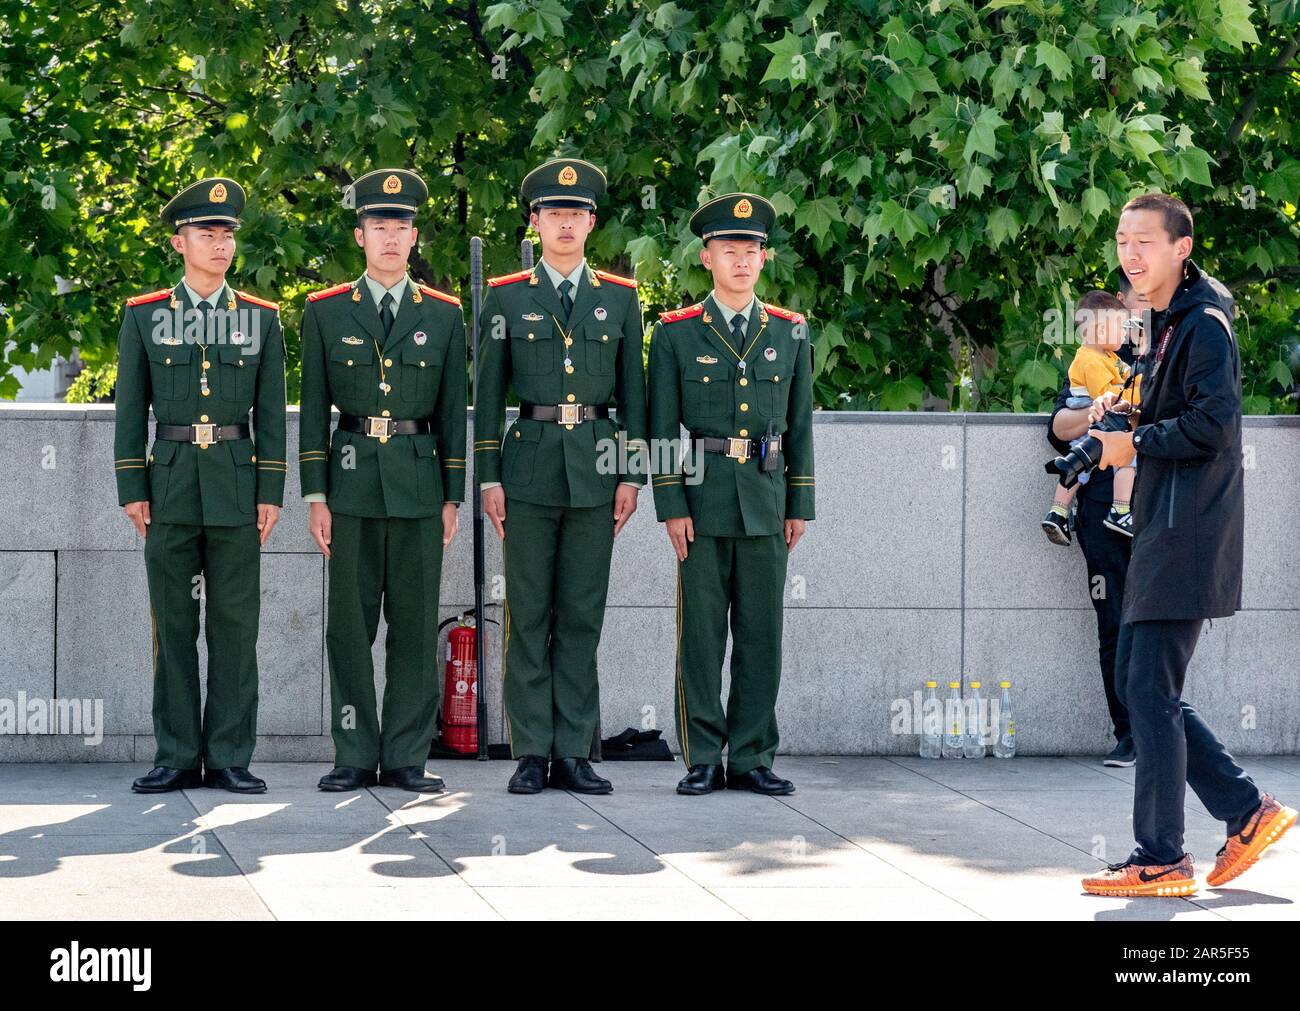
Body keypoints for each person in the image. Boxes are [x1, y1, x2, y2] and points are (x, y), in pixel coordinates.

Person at [1081, 192, 1296, 896]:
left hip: (1190, 528)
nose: (1130, 254)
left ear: (1181, 247)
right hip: (1166, 523)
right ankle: (1244, 813)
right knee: (1146, 685)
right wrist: (1129, 407)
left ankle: (1164, 854)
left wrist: (1132, 441)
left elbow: (1213, 425)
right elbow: (1175, 406)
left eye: (1144, 240)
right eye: (1121, 239)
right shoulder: (1163, 323)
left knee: (1148, 685)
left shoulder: (1204, 324)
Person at [473, 158, 648, 795]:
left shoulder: (621, 299)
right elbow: (487, 396)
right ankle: (531, 751)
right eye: (555, 213)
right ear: (536, 222)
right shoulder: (507, 296)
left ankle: (574, 748)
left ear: (592, 222)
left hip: (598, 471)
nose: (566, 223)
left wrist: (633, 475)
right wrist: (488, 478)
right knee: (528, 612)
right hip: (527, 471)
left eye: (577, 214)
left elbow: (636, 394)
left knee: (580, 613)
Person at [114, 177, 286, 795]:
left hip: (239, 490)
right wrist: (132, 487)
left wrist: (272, 493)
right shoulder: (145, 316)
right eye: (206, 233)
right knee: (174, 623)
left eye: (227, 234)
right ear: (178, 241)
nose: (219, 243)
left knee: (237, 627)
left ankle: (232, 755)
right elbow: (131, 410)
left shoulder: (261, 320)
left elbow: (272, 414)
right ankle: (178, 753)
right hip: (170, 488)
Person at [298, 168, 466, 794]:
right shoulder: (325, 311)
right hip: (350, 486)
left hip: (420, 485)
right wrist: (315, 495)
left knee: (416, 626)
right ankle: (353, 752)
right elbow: (313, 410)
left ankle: (405, 757)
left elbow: (453, 412)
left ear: (414, 236)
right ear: (360, 236)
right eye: (379, 227)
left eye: (400, 227)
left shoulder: (445, 315)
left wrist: (452, 495)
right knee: (349, 624)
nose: (390, 238)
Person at [647, 193, 815, 796]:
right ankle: (701, 755)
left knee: (761, 635)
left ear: (764, 259)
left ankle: (751, 756)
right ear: (707, 257)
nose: (741, 261)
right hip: (703, 499)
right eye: (729, 251)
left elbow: (800, 427)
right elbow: (662, 429)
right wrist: (670, 506)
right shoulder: (675, 334)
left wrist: (800, 504)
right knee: (701, 638)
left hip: (767, 501)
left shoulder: (791, 333)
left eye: (752, 251)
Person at [1042, 290, 1142, 543]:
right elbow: (1108, 396)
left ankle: (1059, 512)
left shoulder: (1112, 356)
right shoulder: (1091, 359)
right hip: (1099, 426)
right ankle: (1117, 511)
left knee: (1083, 465)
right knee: (1099, 460)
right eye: (1142, 299)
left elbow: (1131, 380)